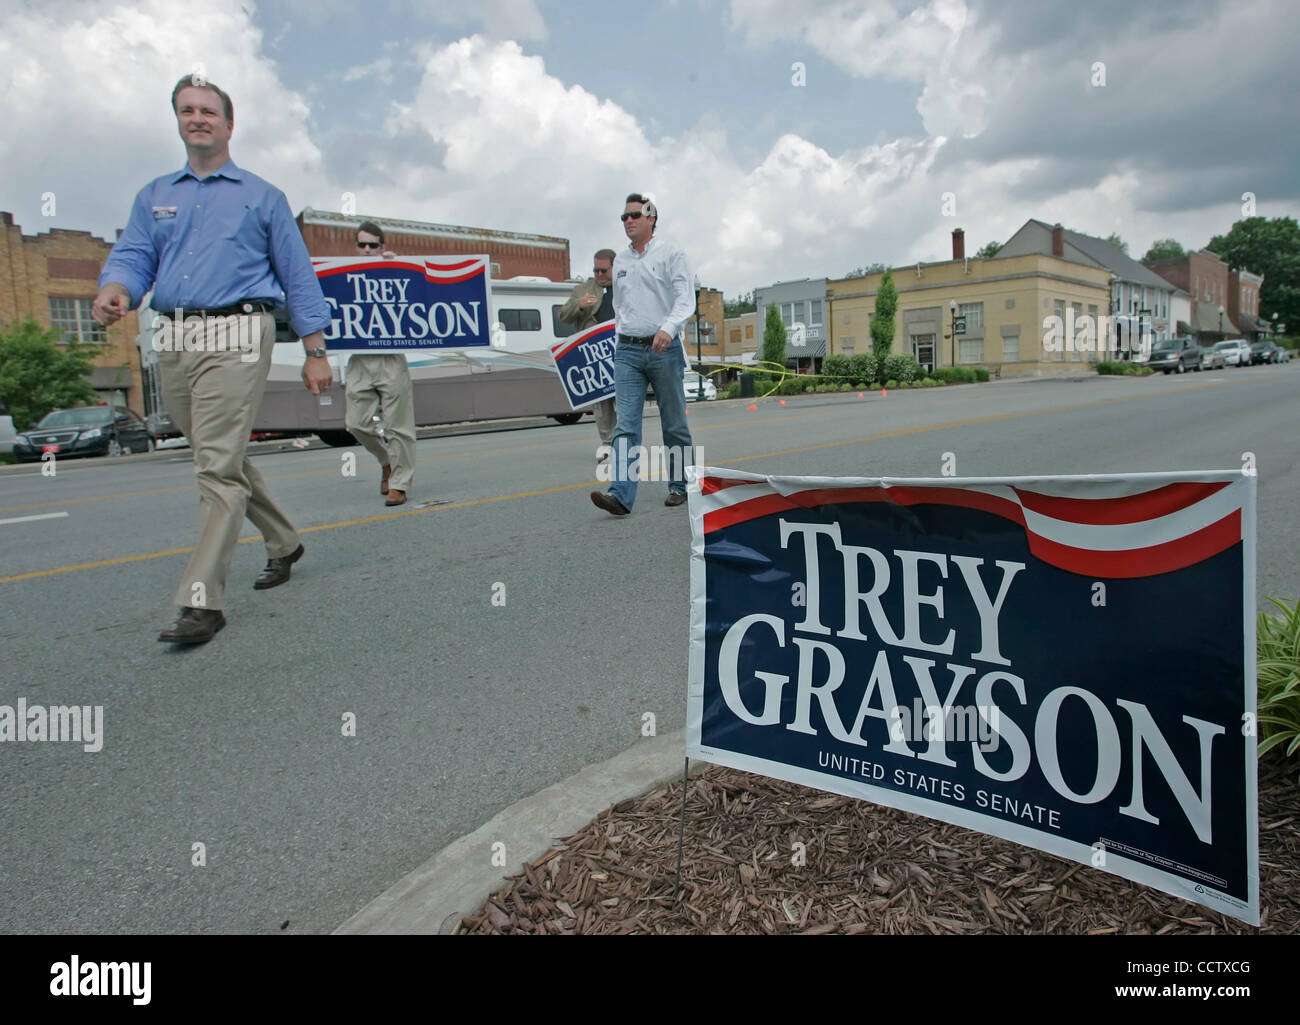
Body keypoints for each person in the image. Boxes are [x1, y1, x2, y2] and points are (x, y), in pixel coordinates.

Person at [93, 74, 333, 644]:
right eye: (186, 110)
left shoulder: (262, 196)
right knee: (216, 455)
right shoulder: (155, 196)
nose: (197, 118)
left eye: (207, 110)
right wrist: (117, 287)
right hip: (175, 336)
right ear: (177, 121)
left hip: (240, 329)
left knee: (214, 466)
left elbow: (300, 278)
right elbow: (133, 254)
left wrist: (315, 351)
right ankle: (284, 541)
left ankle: (202, 602)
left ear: (229, 124)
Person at [590, 194, 695, 516]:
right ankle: (620, 495)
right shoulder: (620, 261)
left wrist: (668, 328)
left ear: (651, 218)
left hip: (664, 348)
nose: (628, 221)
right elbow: (621, 307)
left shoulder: (671, 253)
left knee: (674, 424)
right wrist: (622, 337)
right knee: (626, 425)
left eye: (634, 215)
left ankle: (681, 486)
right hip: (628, 352)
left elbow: (685, 298)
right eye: (624, 217)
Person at [344, 221, 416, 506]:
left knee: (399, 426)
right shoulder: (344, 274)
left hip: (391, 357)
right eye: (362, 244)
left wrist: (395, 266)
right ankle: (386, 460)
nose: (367, 250)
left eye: (372, 245)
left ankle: (400, 482)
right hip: (359, 357)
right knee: (355, 424)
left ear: (381, 247)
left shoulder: (394, 268)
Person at [557, 248, 617, 460]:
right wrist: (579, 305)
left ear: (614, 267)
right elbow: (563, 315)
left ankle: (626, 443)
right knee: (601, 404)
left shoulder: (625, 286)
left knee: (624, 401)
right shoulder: (583, 289)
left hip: (620, 353)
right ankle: (607, 444)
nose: (599, 275)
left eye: (604, 271)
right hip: (593, 357)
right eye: (596, 270)